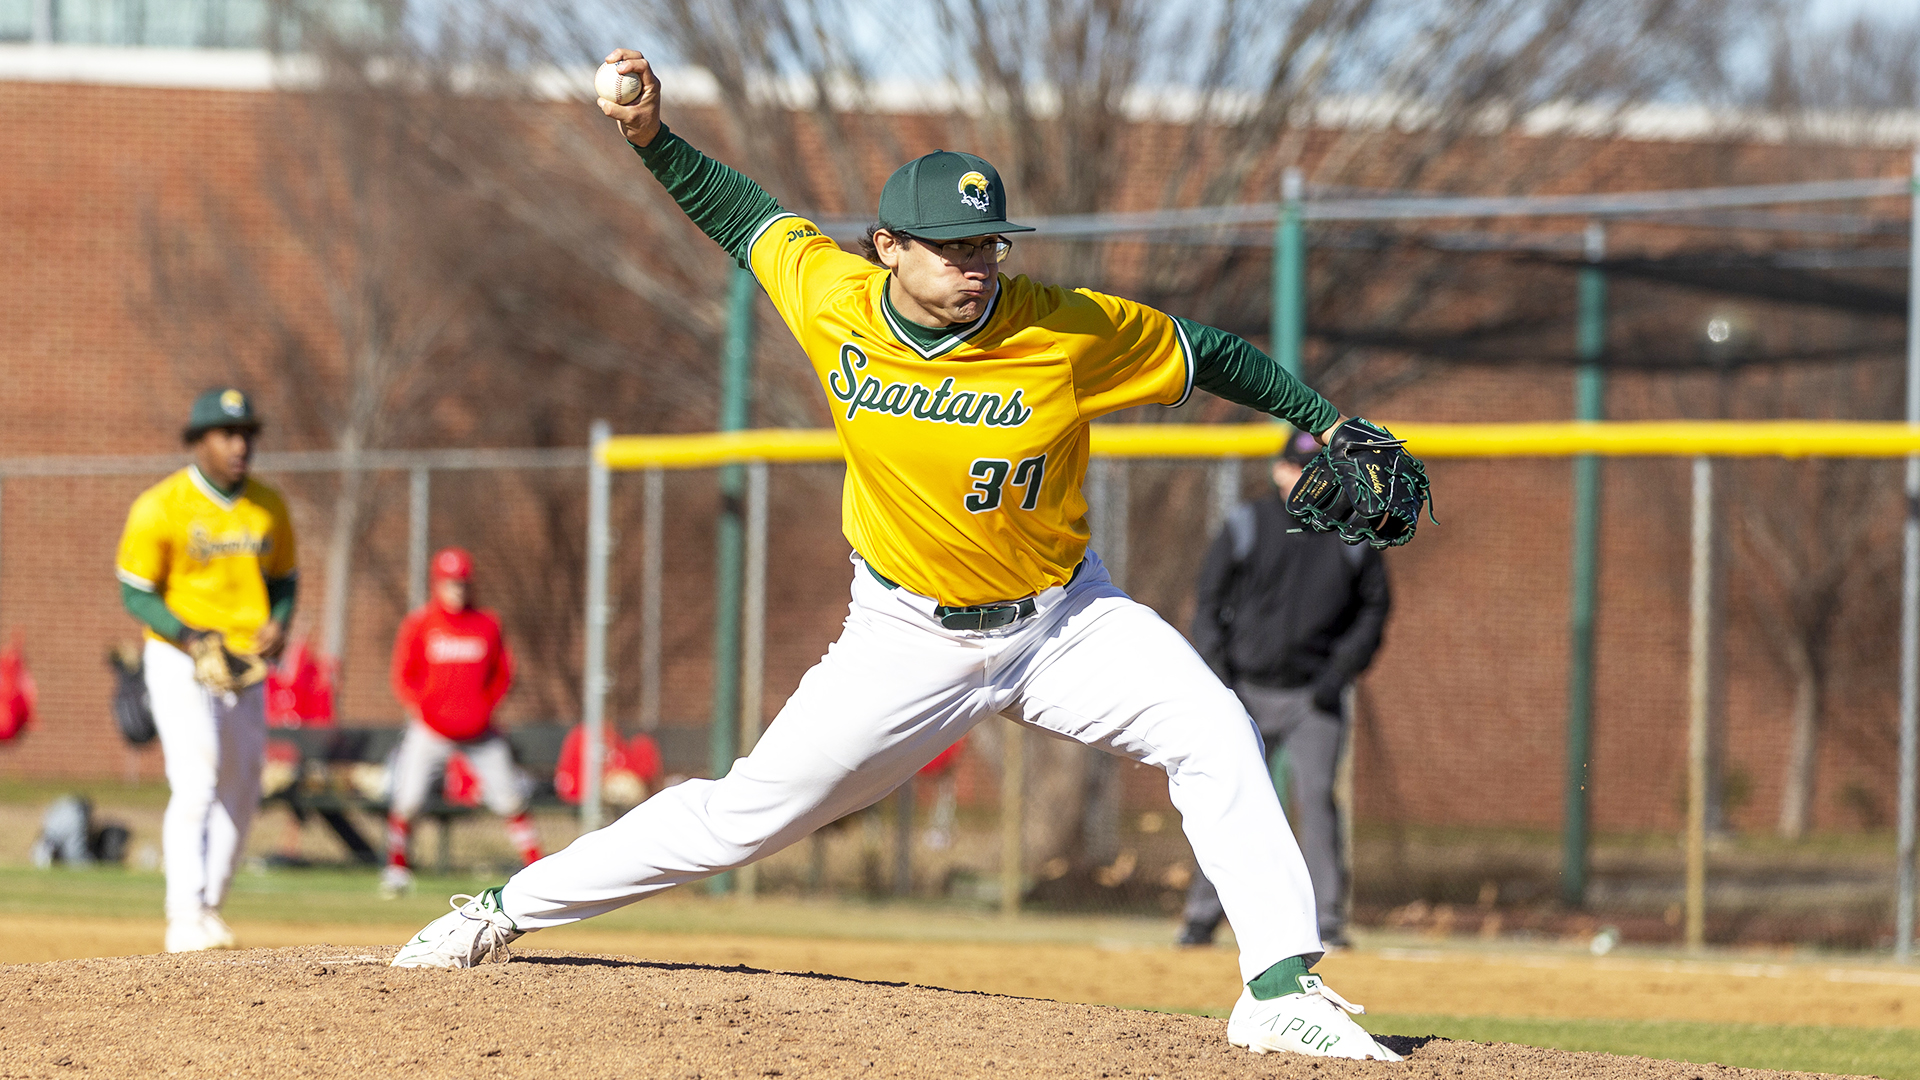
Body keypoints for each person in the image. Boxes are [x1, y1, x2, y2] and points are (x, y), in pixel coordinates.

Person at [394, 48, 1410, 1062]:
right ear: (887, 245)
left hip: (1064, 622)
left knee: (1212, 728)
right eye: (954, 247)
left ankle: (1278, 985)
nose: (977, 265)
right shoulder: (832, 295)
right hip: (905, 635)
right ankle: (500, 909)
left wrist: (1327, 422)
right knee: (740, 819)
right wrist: (653, 139)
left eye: (990, 247)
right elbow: (741, 214)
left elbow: (1213, 353)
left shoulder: (1062, 330)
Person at [1179, 429, 1391, 951]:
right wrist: (1220, 676)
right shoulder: (1247, 524)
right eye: (1296, 468)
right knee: (1231, 800)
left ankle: (1328, 923)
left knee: (1316, 801)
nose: (1303, 478)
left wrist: (1337, 674)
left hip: (1312, 697)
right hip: (1244, 691)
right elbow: (1207, 602)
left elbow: (1373, 610)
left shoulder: (1352, 535)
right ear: (1278, 471)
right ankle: (1202, 917)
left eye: (1316, 469)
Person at [115, 388, 296, 952]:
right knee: (195, 779)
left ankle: (209, 908)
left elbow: (283, 577)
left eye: (246, 434)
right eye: (226, 433)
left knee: (242, 786)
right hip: (179, 654)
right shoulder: (161, 505)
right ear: (198, 441)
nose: (240, 444)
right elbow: (135, 591)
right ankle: (183, 913)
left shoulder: (268, 506)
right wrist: (189, 637)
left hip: (244, 660)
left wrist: (280, 622)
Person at [381, 547, 537, 896]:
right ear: (438, 584)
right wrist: (425, 708)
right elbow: (404, 675)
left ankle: (537, 868)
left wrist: (485, 707)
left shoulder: (487, 624)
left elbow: (503, 673)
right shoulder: (421, 623)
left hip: (480, 731)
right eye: (450, 583)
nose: (457, 590)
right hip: (431, 728)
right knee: (408, 798)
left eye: (462, 583)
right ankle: (396, 868)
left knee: (510, 799)